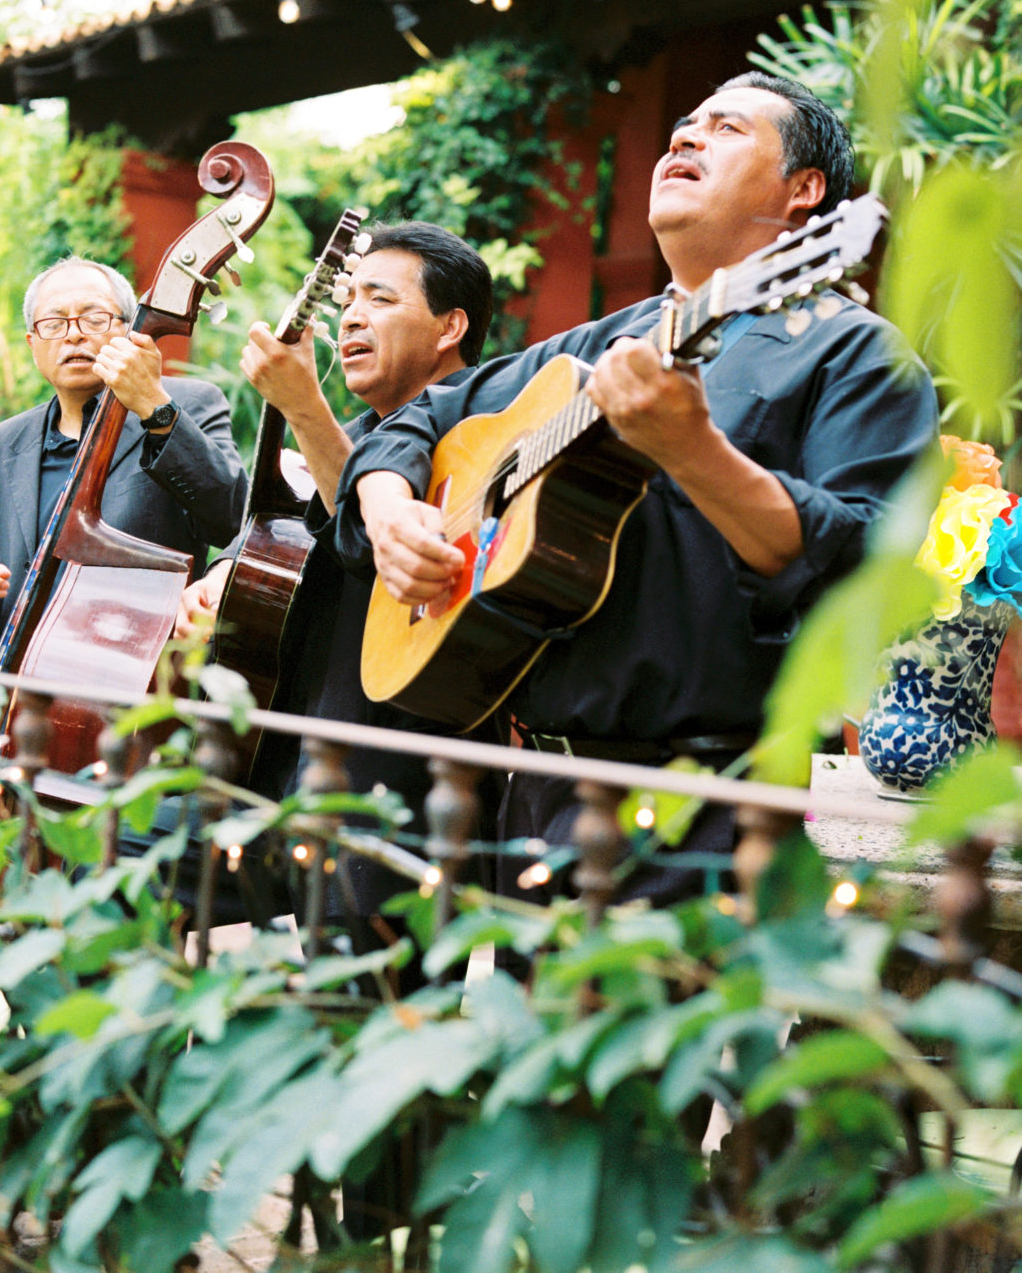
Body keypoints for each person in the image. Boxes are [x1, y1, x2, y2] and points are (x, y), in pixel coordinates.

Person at [329, 73, 941, 904]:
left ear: (803, 194)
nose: (684, 138)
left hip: (709, 804)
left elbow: (860, 563)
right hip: (529, 789)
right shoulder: (595, 343)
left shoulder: (852, 353)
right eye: (681, 124)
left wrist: (691, 449)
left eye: (724, 129)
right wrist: (391, 507)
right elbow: (418, 421)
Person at [177, 221, 495, 941]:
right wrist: (231, 576)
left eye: (379, 299)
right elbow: (334, 524)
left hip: (403, 783)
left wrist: (302, 408)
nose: (351, 315)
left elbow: (367, 531)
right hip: (310, 766)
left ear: (451, 327)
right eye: (348, 298)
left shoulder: (481, 427)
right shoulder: (362, 432)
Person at [0, 255, 248, 658]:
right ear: (33, 344)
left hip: (143, 688)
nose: (74, 335)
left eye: (94, 318)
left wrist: (156, 408)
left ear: (129, 329)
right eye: (54, 323)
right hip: (21, 700)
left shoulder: (189, 404)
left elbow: (232, 518)